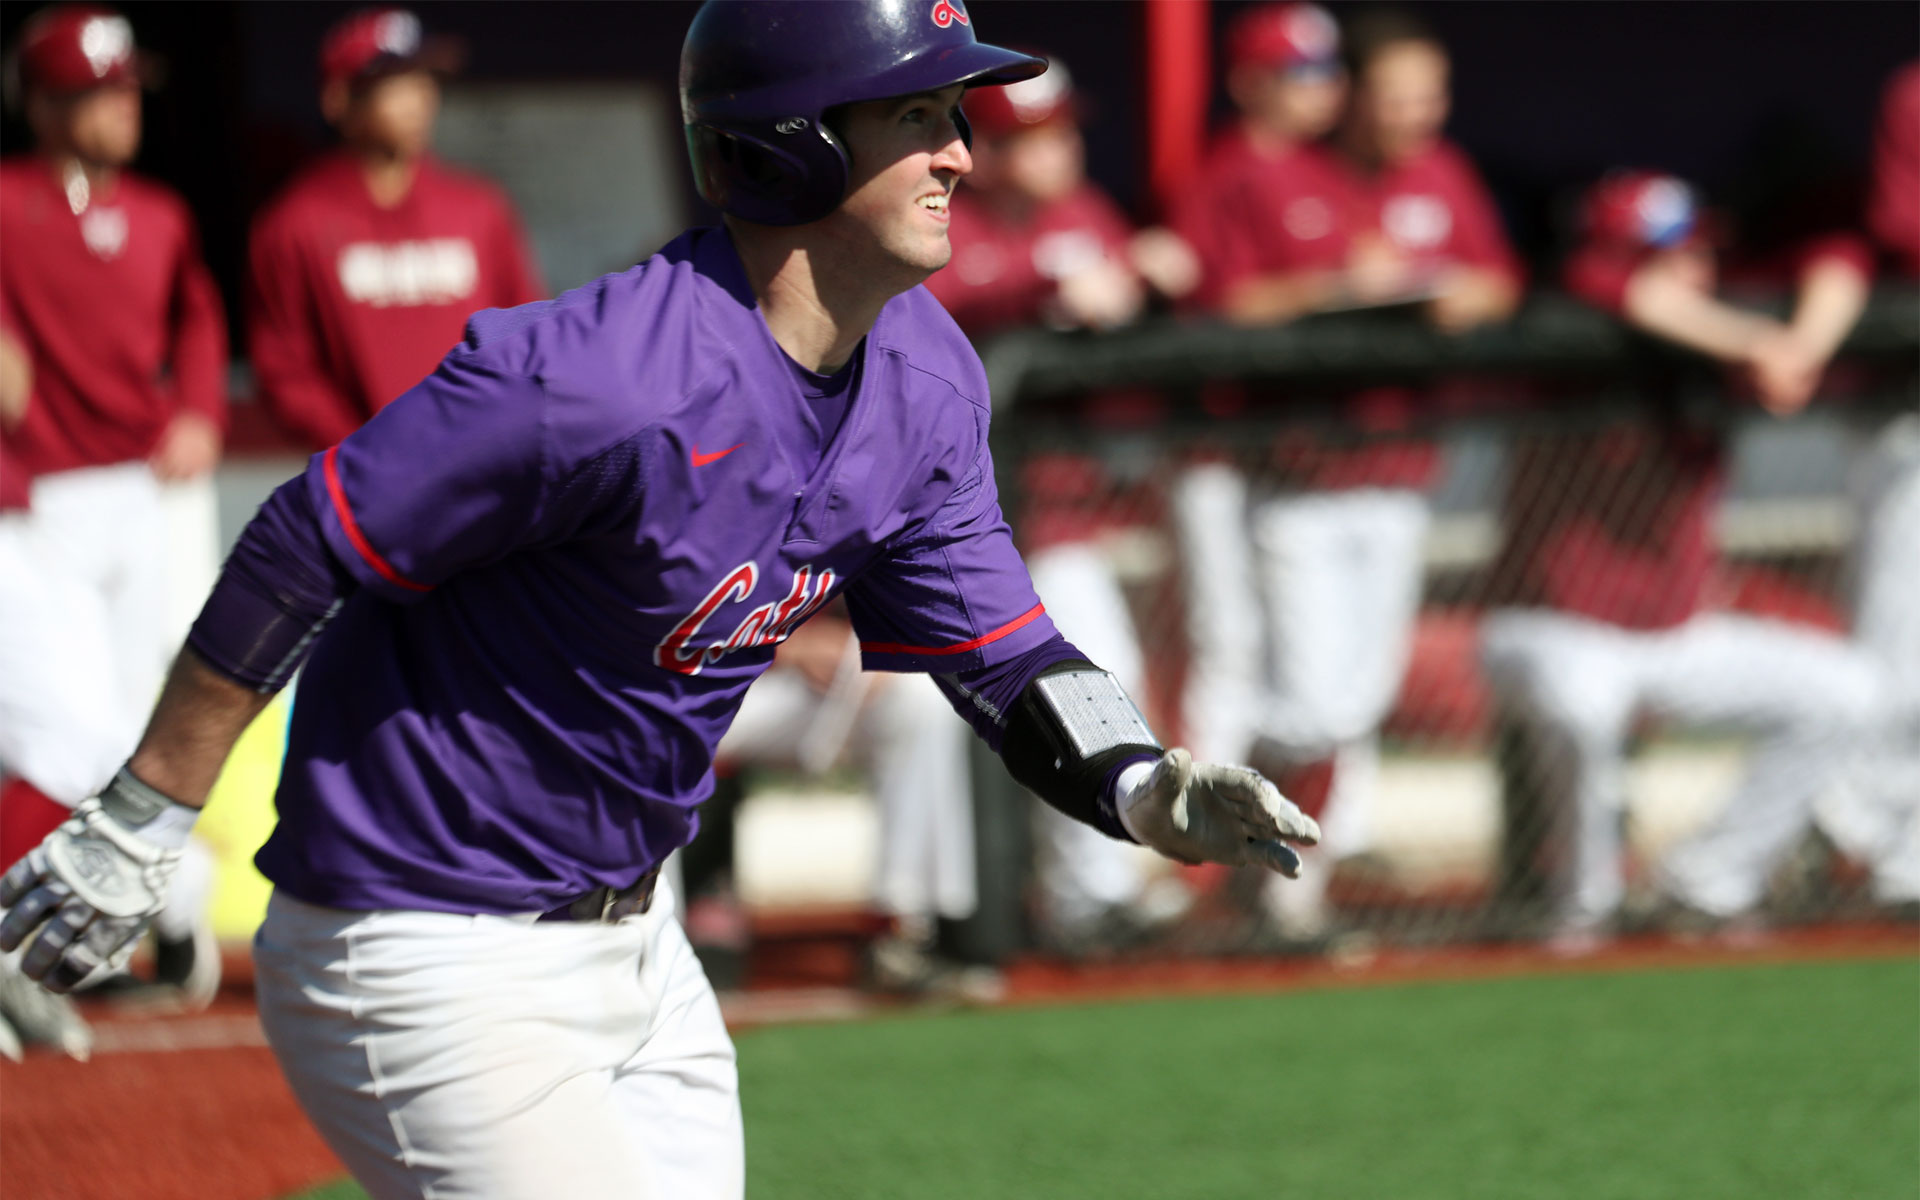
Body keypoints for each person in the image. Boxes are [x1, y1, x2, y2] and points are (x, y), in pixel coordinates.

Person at [0, 4, 1319, 1195]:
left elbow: (1008, 649)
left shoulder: (925, 371)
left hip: (643, 949)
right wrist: (141, 816)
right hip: (426, 943)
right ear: (791, 146)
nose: (961, 156)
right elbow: (307, 537)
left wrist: (1143, 784)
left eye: (953, 118)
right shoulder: (598, 376)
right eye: (916, 118)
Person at [1172, 6, 1521, 941]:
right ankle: (1228, 833)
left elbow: (1498, 278)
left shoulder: (1420, 172)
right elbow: (1224, 305)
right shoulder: (1280, 169)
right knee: (1305, 692)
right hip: (1289, 469)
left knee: (1355, 696)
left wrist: (1443, 289)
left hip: (1397, 462)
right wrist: (1344, 289)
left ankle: (1282, 872)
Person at [1480, 170, 1880, 950]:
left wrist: (1802, 344)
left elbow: (1841, 258)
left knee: (1849, 691)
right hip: (1549, 626)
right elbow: (1610, 284)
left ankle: (1708, 880)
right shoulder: (1575, 319)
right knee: (1582, 705)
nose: (1693, 270)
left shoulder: (1719, 331)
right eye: (1668, 254)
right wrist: (1762, 340)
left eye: (1696, 253)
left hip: (1675, 631)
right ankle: (1581, 908)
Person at [925, 57, 1196, 950]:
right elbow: (932, 306)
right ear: (988, 150)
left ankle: (1090, 891)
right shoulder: (945, 223)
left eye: (1063, 132)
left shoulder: (1086, 215)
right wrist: (1042, 293)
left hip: (1072, 510)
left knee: (1100, 678)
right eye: (1035, 138)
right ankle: (1070, 897)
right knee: (1057, 691)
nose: (1061, 152)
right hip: (972, 522)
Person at [0, 3, 227, 1055]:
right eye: (101, 88)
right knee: (64, 732)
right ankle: (171, 905)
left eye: (130, 85)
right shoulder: (3, 202)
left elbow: (200, 326)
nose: (125, 105)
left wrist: (200, 410)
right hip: (29, 500)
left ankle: (152, 931)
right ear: (43, 102)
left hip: (142, 494)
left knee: (150, 720)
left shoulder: (164, 214)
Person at [248, 6, 544, 451]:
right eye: (394, 81)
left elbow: (528, 332)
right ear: (339, 98)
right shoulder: (294, 223)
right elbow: (284, 368)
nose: (418, 98)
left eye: (424, 79)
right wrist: (366, 452)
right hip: (367, 480)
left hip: (486, 464)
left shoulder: (479, 208)